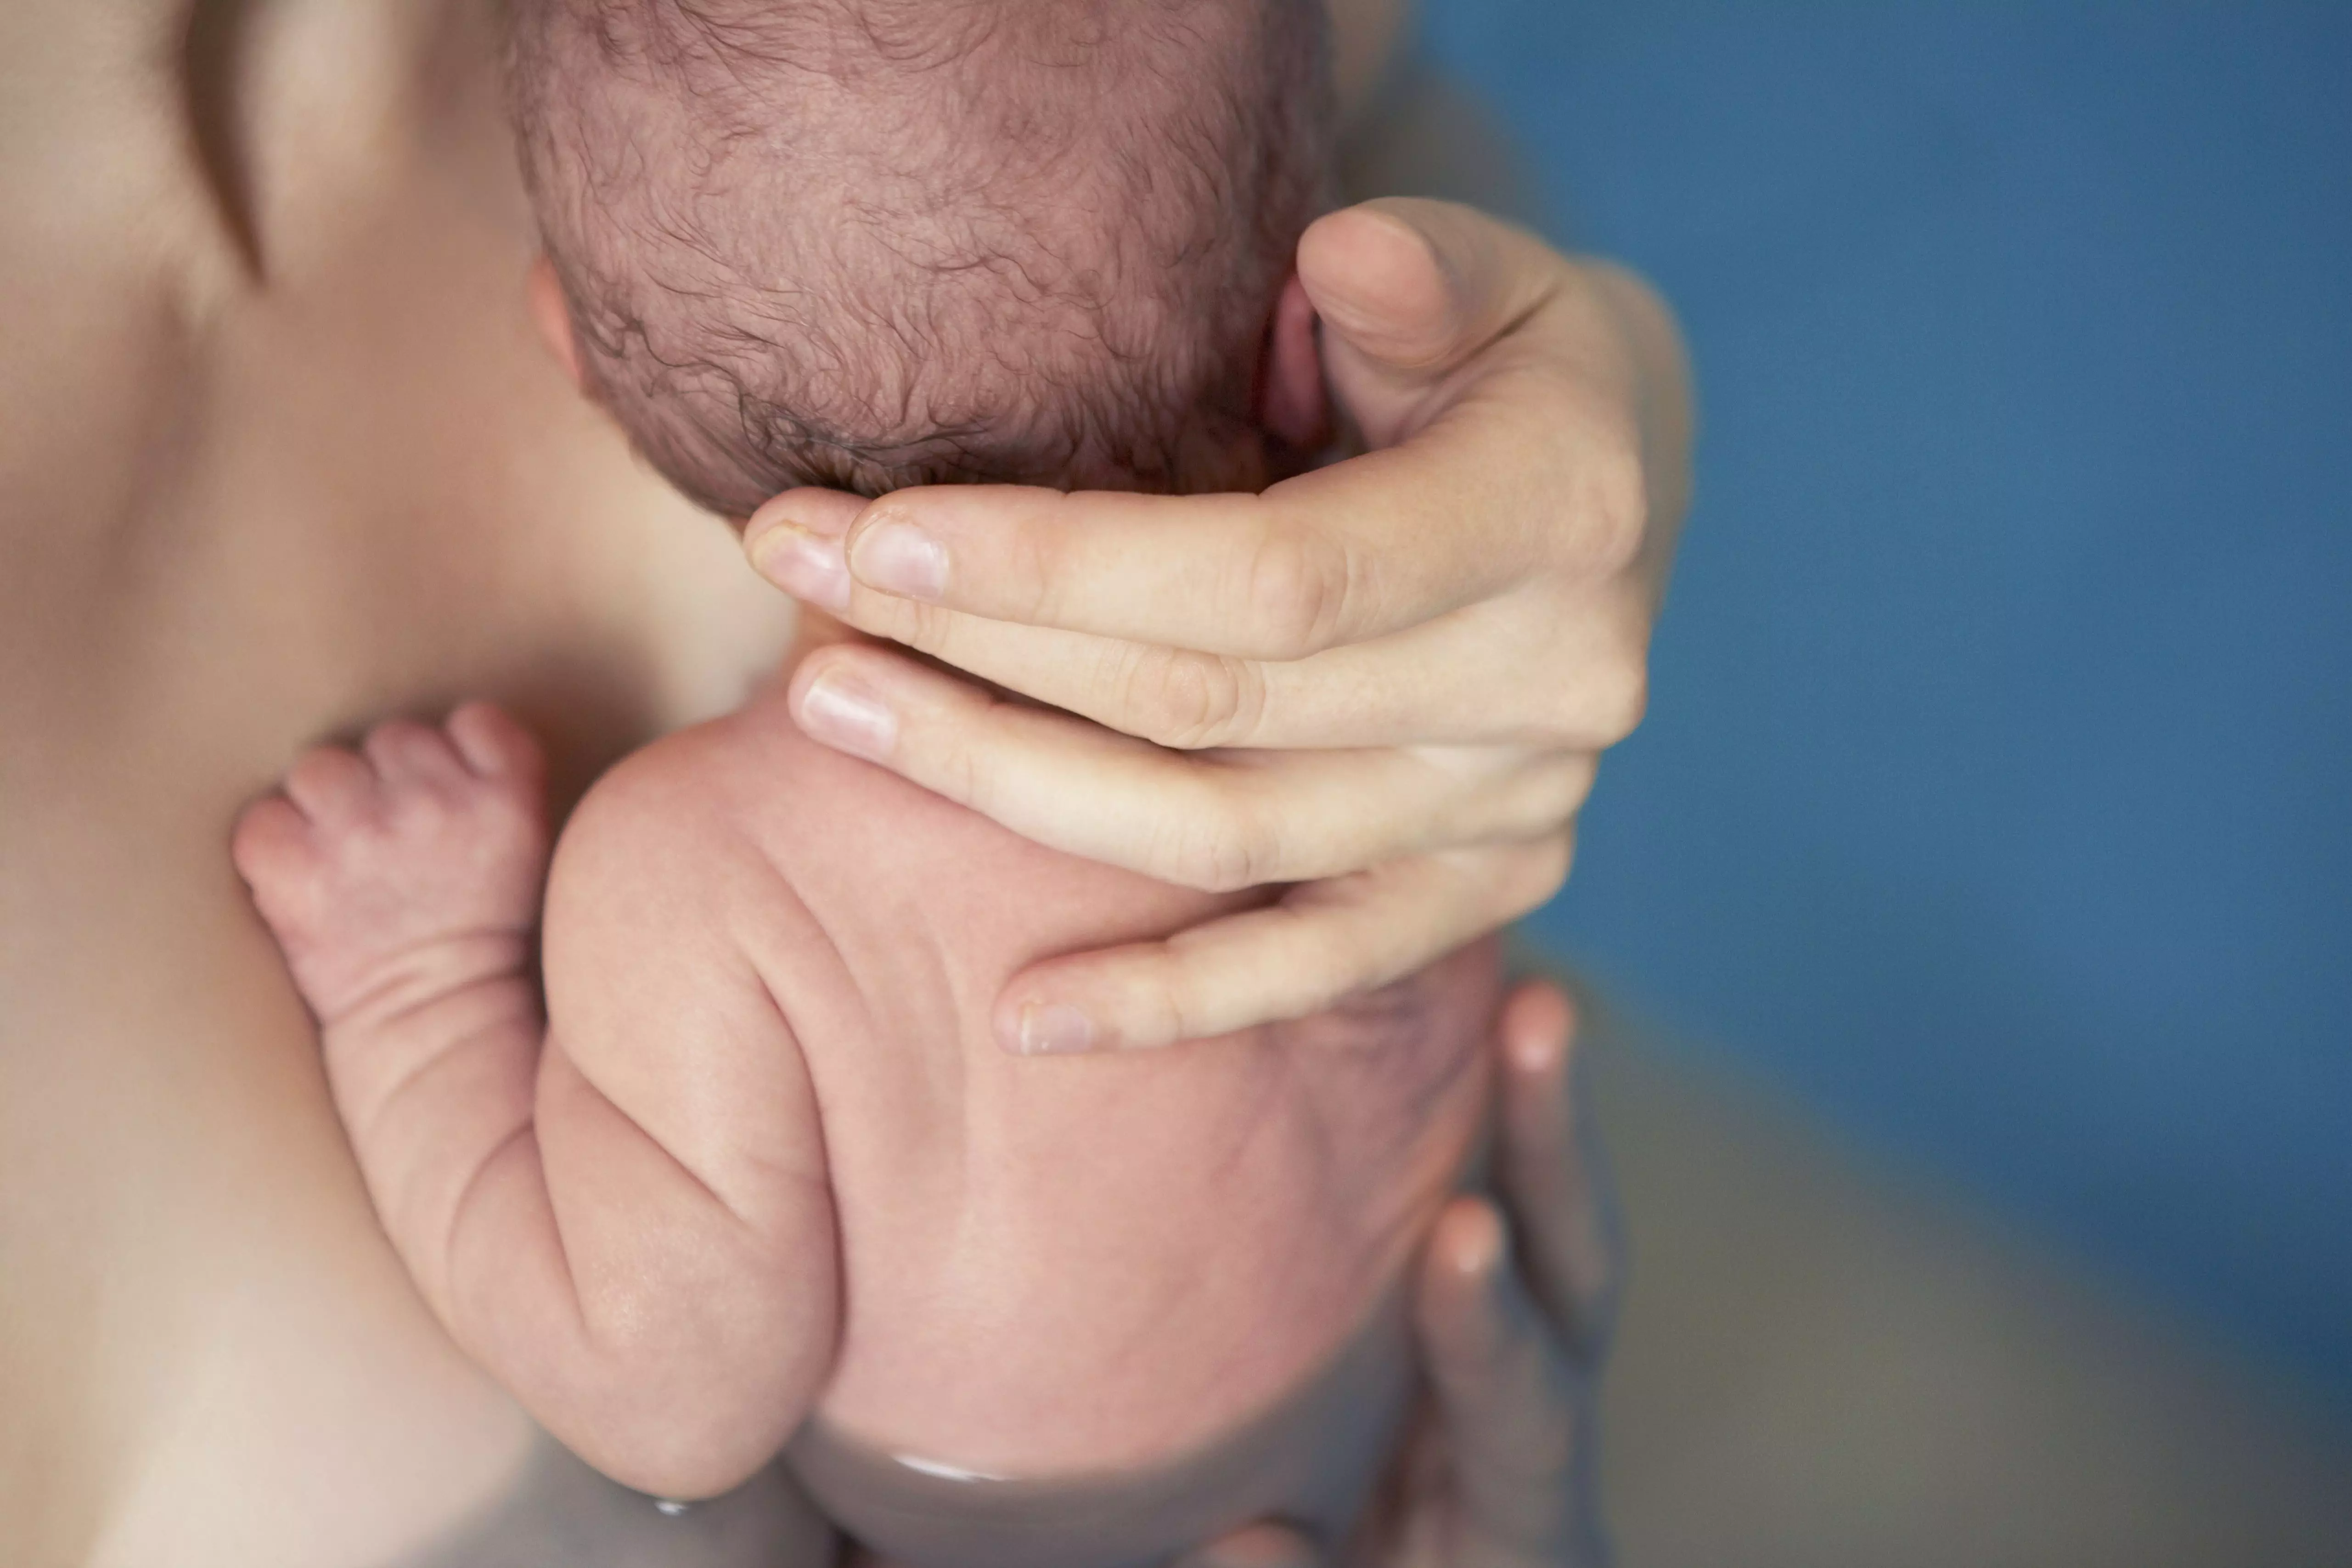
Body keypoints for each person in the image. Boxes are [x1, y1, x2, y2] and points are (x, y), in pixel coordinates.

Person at [0, 0, 1685, 1563]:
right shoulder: (1349, 574)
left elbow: (669, 1390)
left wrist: (421, 994)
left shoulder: (715, 876)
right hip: (1408, 1380)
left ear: (575, 362)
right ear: (1297, 348)